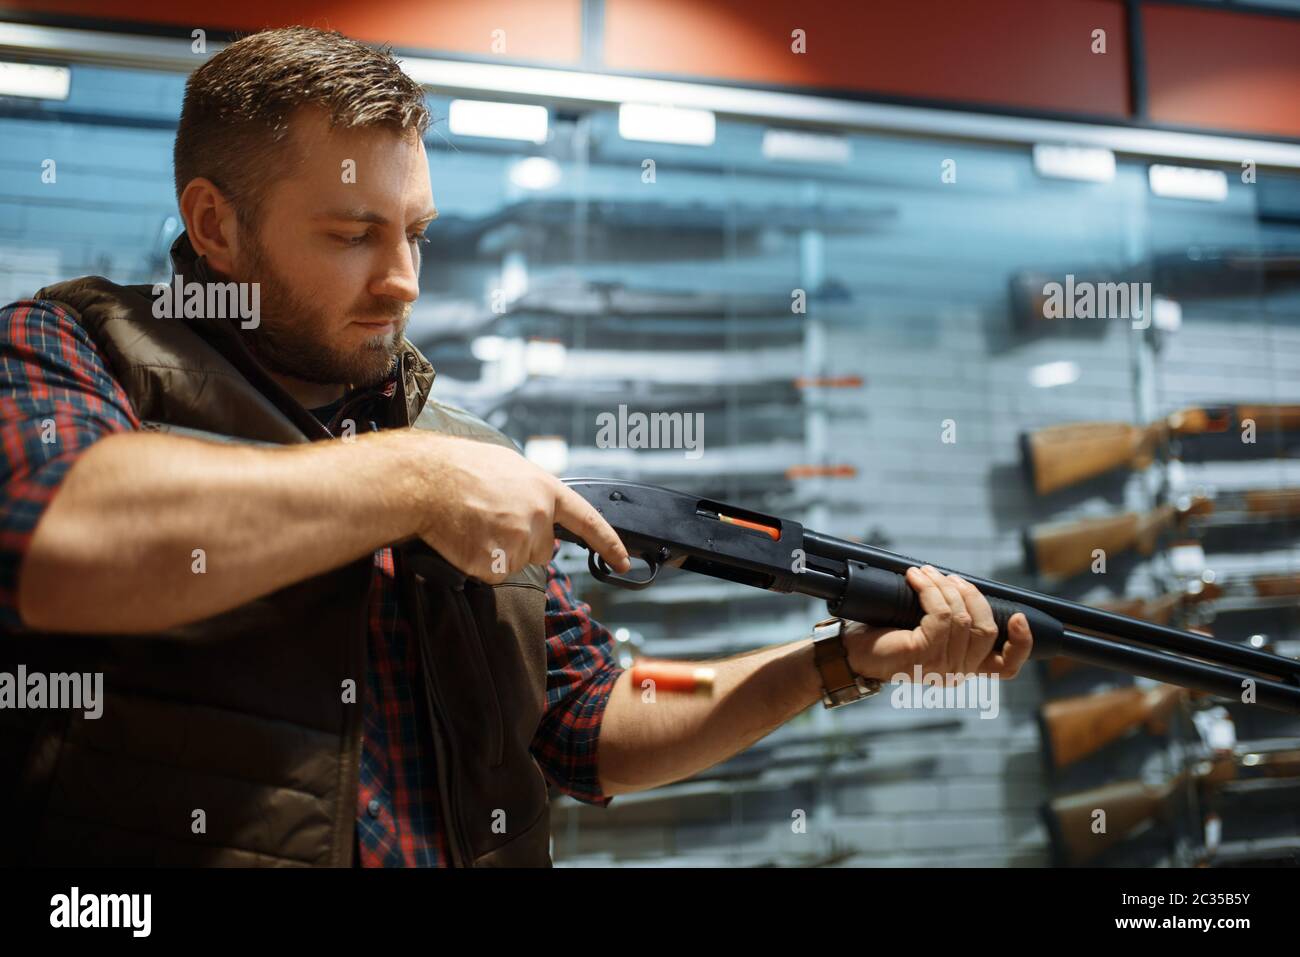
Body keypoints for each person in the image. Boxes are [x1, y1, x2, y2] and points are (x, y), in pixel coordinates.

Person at [0, 26, 1033, 867]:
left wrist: (835, 664)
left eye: (417, 232)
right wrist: (413, 480)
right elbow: (64, 535)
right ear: (215, 229)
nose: (404, 279)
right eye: (351, 233)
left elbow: (590, 725)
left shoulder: (456, 448)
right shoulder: (69, 347)